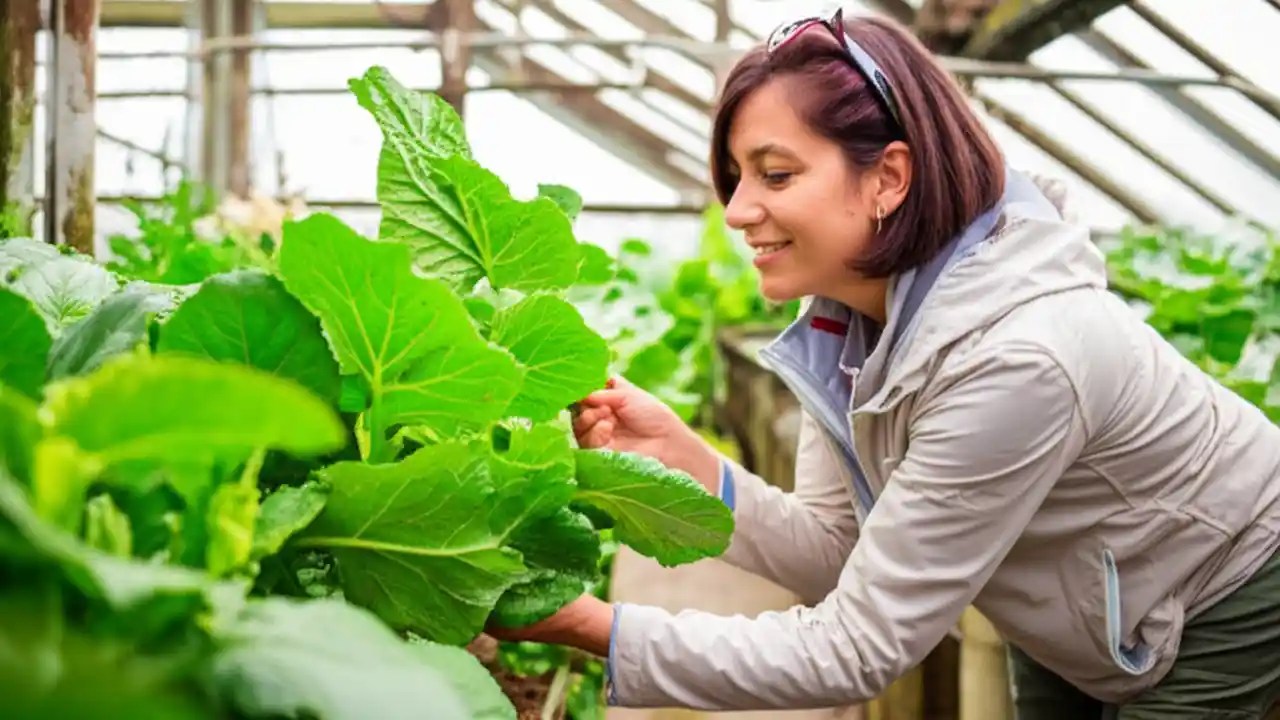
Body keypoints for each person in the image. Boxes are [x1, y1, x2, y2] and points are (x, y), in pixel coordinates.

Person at [491, 9, 1280, 719]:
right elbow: (842, 551)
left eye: (775, 174)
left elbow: (857, 648)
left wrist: (594, 626)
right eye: (736, 177)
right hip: (1075, 599)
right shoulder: (846, 316)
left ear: (889, 178)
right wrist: (689, 465)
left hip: (1224, 586)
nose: (736, 211)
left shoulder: (1018, 358)